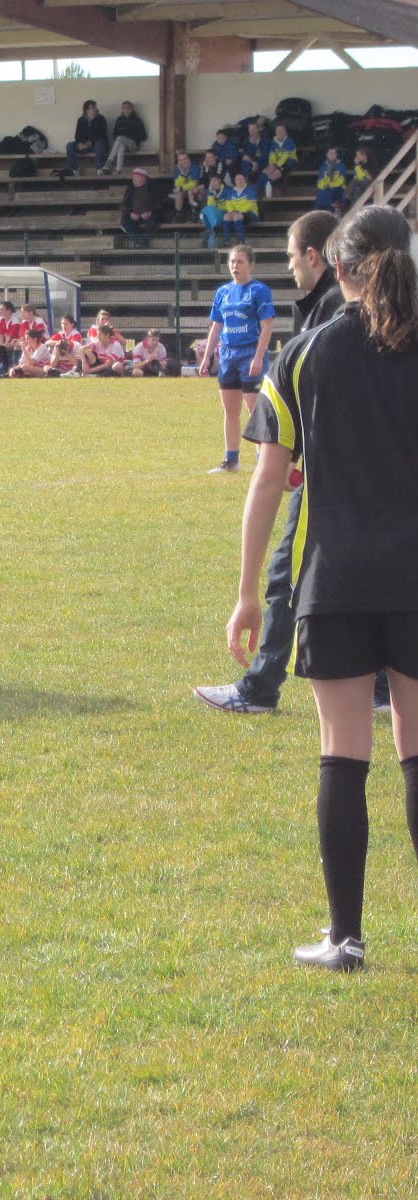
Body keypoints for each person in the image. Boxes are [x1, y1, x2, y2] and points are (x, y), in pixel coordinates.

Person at [223, 205, 418, 971]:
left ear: (336, 269)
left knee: (344, 755)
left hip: (332, 578)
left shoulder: (304, 357)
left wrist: (246, 593)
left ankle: (345, 938)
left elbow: (268, 484)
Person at [194, 210, 389, 716]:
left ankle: (261, 686)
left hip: (328, 474)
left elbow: (324, 396)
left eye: (290, 255)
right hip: (376, 478)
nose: (290, 267)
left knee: (285, 571)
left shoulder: (330, 318)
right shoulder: (361, 313)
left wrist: (290, 454)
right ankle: (385, 685)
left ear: (320, 256)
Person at [197, 242, 274, 473]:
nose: (235, 266)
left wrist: (259, 358)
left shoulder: (259, 291)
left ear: (251, 265)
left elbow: (267, 326)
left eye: (240, 261)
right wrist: (207, 356)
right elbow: (216, 327)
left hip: (250, 354)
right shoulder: (223, 292)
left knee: (254, 411)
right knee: (230, 411)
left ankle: (263, 460)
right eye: (232, 261)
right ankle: (231, 460)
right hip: (228, 357)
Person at [119, 165, 164, 247]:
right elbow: (125, 203)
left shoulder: (153, 186)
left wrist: (150, 213)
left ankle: (143, 242)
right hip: (134, 215)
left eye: (136, 176)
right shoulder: (130, 187)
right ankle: (138, 241)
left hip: (150, 214)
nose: (134, 178)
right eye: (133, 176)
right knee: (125, 221)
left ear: (143, 177)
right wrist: (130, 213)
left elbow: (159, 204)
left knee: (153, 223)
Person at [66, 99, 108, 176]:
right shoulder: (81, 120)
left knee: (99, 143)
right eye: (93, 107)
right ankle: (74, 170)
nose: (95, 109)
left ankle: (100, 169)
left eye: (95, 107)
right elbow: (77, 135)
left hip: (95, 144)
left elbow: (101, 134)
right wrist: (79, 143)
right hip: (84, 144)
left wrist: (89, 143)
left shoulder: (101, 119)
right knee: (70, 145)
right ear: (87, 110)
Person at [104, 100, 146, 175]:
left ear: (132, 109)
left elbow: (143, 135)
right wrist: (122, 139)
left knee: (120, 138)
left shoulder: (137, 120)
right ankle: (118, 170)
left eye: (128, 108)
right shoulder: (119, 120)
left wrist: (134, 138)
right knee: (121, 146)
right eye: (124, 108)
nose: (126, 110)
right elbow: (115, 134)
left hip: (133, 144)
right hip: (122, 143)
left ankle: (110, 160)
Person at [220, 169, 260, 244]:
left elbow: (250, 205)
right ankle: (226, 241)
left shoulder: (250, 189)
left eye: (241, 179)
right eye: (237, 179)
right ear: (234, 180)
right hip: (236, 213)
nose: (239, 181)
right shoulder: (231, 190)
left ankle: (241, 241)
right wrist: (232, 211)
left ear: (245, 179)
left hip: (250, 213)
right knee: (226, 216)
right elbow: (228, 204)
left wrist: (238, 212)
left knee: (237, 216)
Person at [262, 122, 298, 198]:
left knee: (277, 173)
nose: (279, 133)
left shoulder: (290, 141)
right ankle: (267, 192)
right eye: (278, 131)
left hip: (290, 162)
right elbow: (272, 154)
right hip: (277, 163)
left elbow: (285, 156)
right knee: (266, 171)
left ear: (285, 132)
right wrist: (272, 165)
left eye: (281, 131)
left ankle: (276, 193)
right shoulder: (274, 141)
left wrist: (276, 166)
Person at [170, 151, 203, 222]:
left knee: (190, 190)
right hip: (185, 192)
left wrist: (181, 188)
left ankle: (195, 214)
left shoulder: (195, 167)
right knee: (178, 193)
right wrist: (182, 173)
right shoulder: (177, 168)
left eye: (185, 159)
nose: (183, 162)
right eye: (180, 160)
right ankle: (178, 216)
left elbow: (194, 183)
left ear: (189, 159)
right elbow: (177, 185)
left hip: (195, 191)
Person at [315, 147, 348, 212]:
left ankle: (330, 207)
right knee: (321, 192)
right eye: (331, 153)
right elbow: (320, 182)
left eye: (334, 153)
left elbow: (340, 181)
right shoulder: (323, 167)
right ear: (327, 155)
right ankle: (323, 212)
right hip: (327, 189)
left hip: (339, 188)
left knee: (328, 192)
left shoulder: (341, 166)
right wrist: (324, 186)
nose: (333, 155)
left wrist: (329, 185)